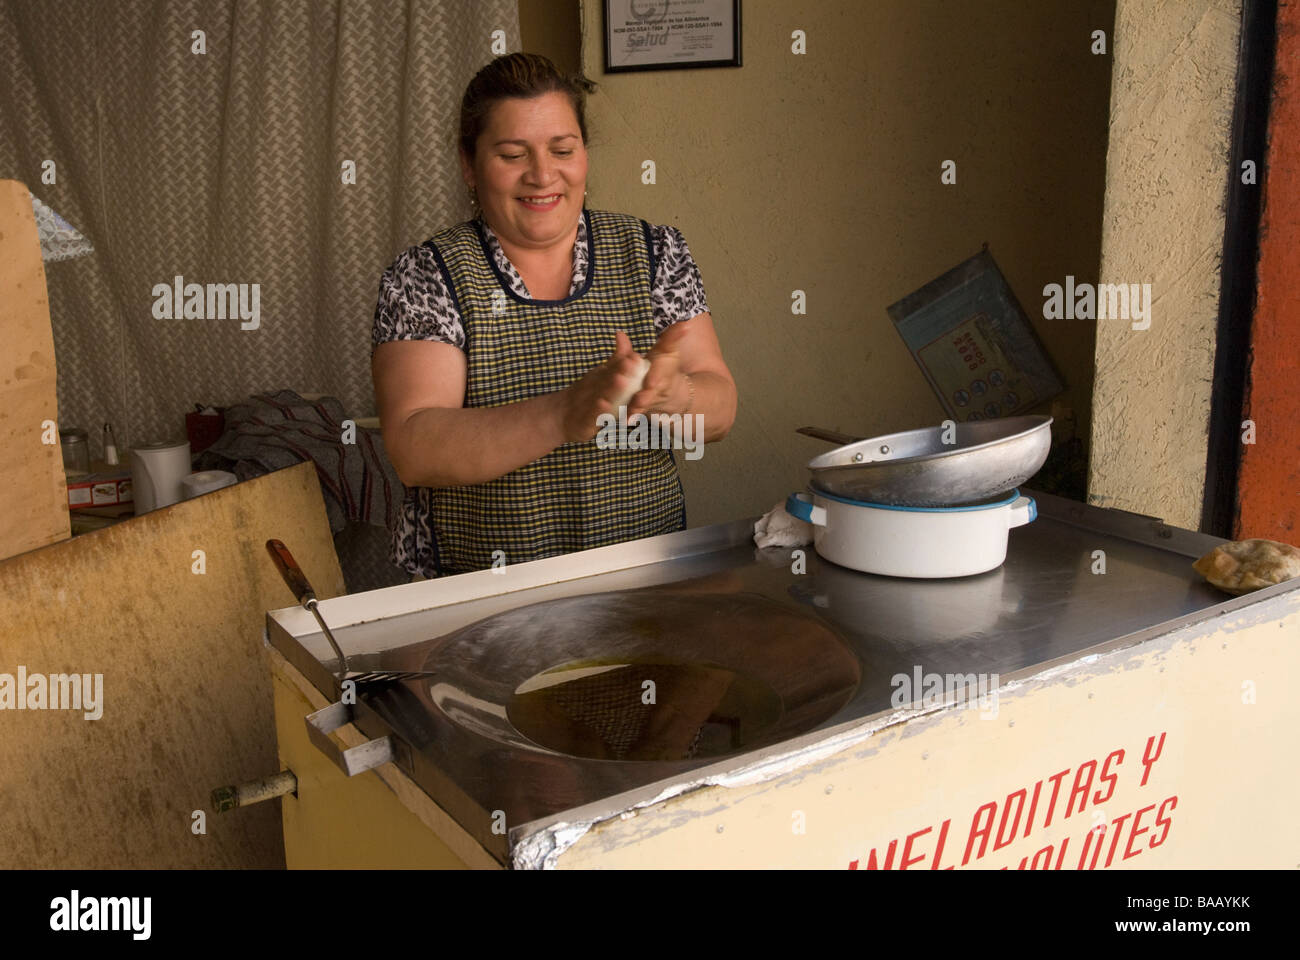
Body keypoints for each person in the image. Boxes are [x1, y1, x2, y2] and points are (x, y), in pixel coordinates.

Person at [371, 53, 737, 578]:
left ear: (583, 154)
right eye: (512, 154)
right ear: (468, 165)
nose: (543, 175)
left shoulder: (654, 252)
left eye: (562, 150)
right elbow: (415, 446)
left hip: (646, 582)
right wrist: (565, 413)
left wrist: (675, 395)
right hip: (481, 593)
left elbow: (720, 409)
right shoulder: (426, 275)